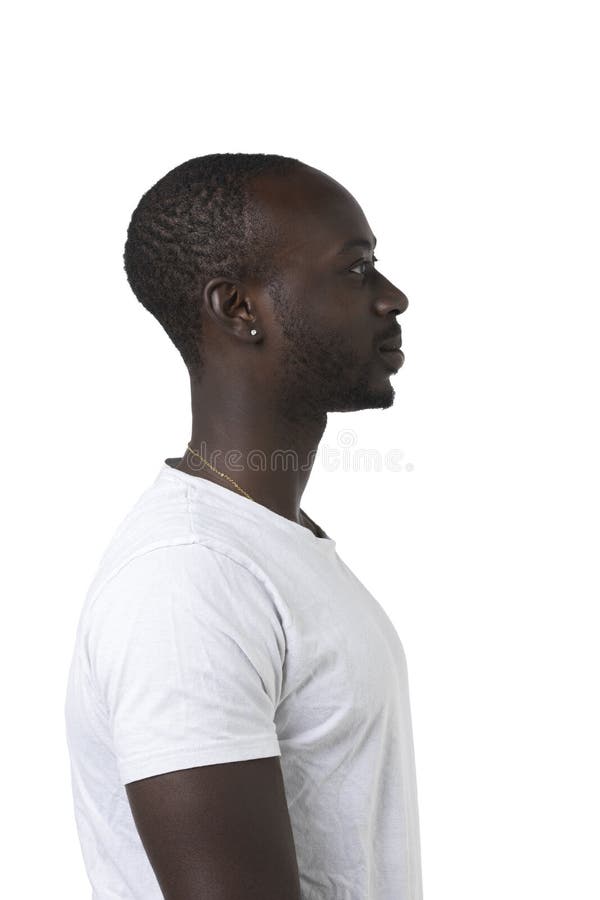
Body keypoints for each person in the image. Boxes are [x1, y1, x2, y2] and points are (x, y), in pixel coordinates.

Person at [64, 152, 423, 899]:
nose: (393, 298)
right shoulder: (189, 577)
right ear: (239, 309)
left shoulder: (265, 546)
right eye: (355, 270)